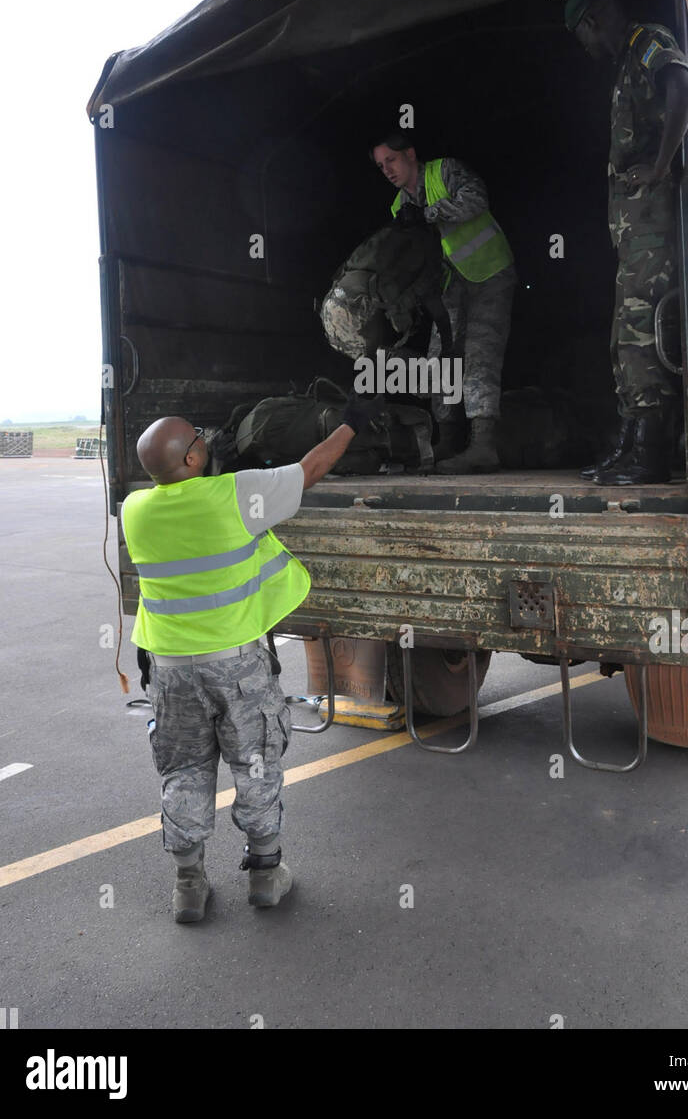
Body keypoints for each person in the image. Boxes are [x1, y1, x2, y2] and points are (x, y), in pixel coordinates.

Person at [121, 396, 374, 924]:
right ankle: (265, 875)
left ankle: (188, 886)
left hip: (168, 671)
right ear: (191, 459)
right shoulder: (236, 494)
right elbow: (311, 469)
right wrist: (350, 422)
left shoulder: (135, 510)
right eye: (199, 439)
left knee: (183, 772)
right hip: (234, 666)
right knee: (256, 762)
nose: (207, 443)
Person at [566, 0, 688, 485]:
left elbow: (682, 85)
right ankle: (630, 444)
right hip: (633, 228)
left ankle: (651, 454)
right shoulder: (626, 62)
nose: (587, 47)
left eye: (583, 35)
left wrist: (662, 167)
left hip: (651, 222)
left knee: (642, 328)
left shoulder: (646, 41)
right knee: (626, 333)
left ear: (595, 21)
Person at [370, 132, 516, 473]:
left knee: (480, 354)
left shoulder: (444, 171)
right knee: (440, 362)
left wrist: (428, 213)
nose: (387, 170)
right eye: (380, 165)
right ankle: (448, 439)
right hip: (448, 288)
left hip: (489, 274)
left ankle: (482, 446)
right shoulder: (397, 206)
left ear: (409, 154)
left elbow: (477, 198)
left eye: (391, 160)